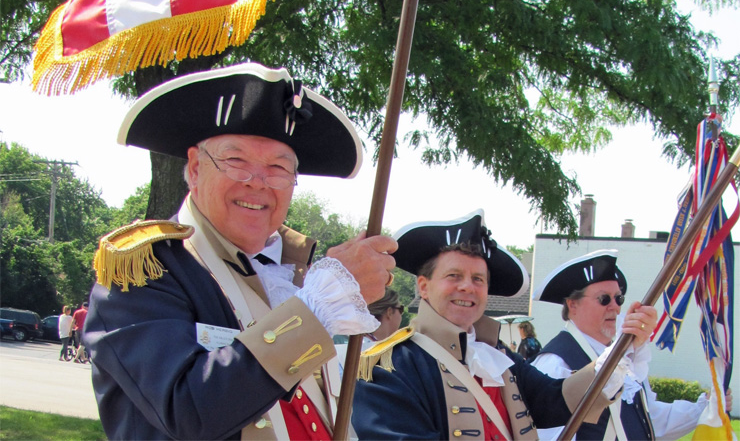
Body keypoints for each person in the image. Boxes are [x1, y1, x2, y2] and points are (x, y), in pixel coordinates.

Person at [84, 63, 397, 440]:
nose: (258, 183)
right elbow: (190, 412)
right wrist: (322, 305)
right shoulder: (145, 273)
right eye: (236, 162)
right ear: (196, 169)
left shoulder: (296, 275)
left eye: (278, 168)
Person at [352, 210, 657, 440]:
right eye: (453, 276)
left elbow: (556, 398)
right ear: (423, 285)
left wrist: (622, 347)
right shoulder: (388, 367)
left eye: (478, 279)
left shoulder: (499, 357)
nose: (467, 288)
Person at [531, 250, 729, 440]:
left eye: (619, 298)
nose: (615, 306)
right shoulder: (556, 361)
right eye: (604, 299)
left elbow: (651, 421)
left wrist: (706, 406)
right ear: (572, 304)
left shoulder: (624, 356)